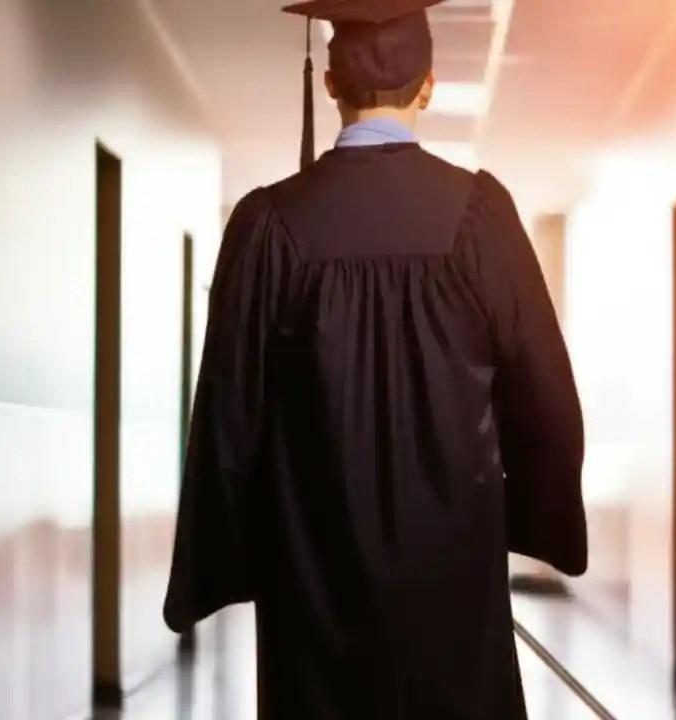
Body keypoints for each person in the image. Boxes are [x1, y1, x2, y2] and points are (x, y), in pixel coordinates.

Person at [163, 0, 587, 716]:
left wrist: (231, 556)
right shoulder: (483, 217)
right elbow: (546, 403)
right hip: (452, 591)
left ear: (330, 84)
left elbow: (228, 423)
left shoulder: (266, 225)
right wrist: (513, 521)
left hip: (313, 597)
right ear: (430, 87)